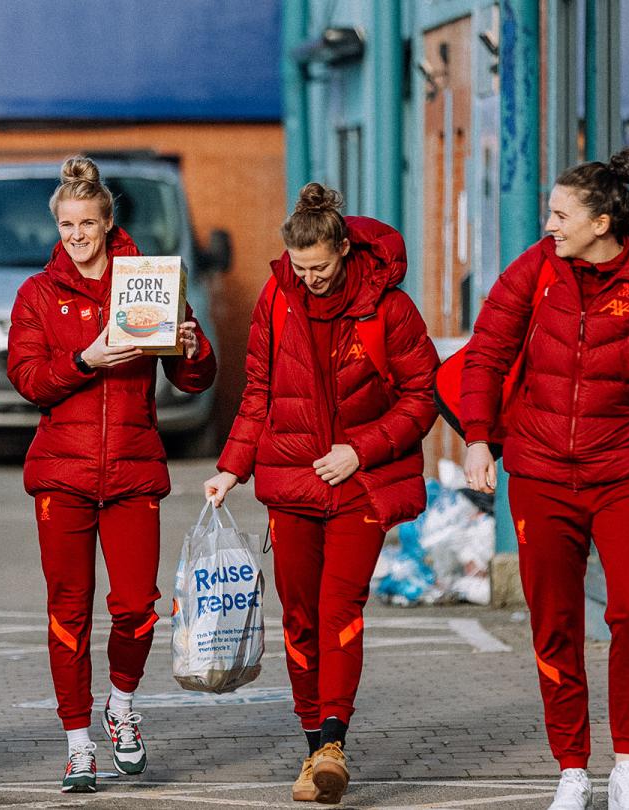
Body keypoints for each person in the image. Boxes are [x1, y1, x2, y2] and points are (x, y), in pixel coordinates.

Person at [459, 147, 629, 810]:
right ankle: (572, 768)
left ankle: (628, 766)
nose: (550, 224)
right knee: (555, 619)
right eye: (550, 211)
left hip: (626, 468)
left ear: (602, 222)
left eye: (560, 213)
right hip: (540, 470)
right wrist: (478, 439)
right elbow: (486, 352)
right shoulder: (538, 269)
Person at [204, 183, 440, 805]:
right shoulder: (276, 302)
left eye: (321, 267)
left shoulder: (391, 308)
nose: (309, 278)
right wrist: (231, 468)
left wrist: (361, 449)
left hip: (359, 485)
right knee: (300, 617)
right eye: (299, 267)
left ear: (344, 248)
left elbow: (423, 397)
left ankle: (334, 740)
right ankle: (313, 748)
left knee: (340, 610)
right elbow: (258, 391)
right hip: (290, 483)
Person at [7, 156, 217, 793]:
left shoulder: (149, 282)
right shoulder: (37, 295)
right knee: (67, 612)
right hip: (61, 474)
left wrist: (191, 345)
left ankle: (121, 706)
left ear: (107, 221)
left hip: (132, 469)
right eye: (67, 224)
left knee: (136, 610)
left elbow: (194, 380)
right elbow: (28, 380)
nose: (76, 235)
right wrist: (85, 358)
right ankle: (77, 743)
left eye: (87, 223)